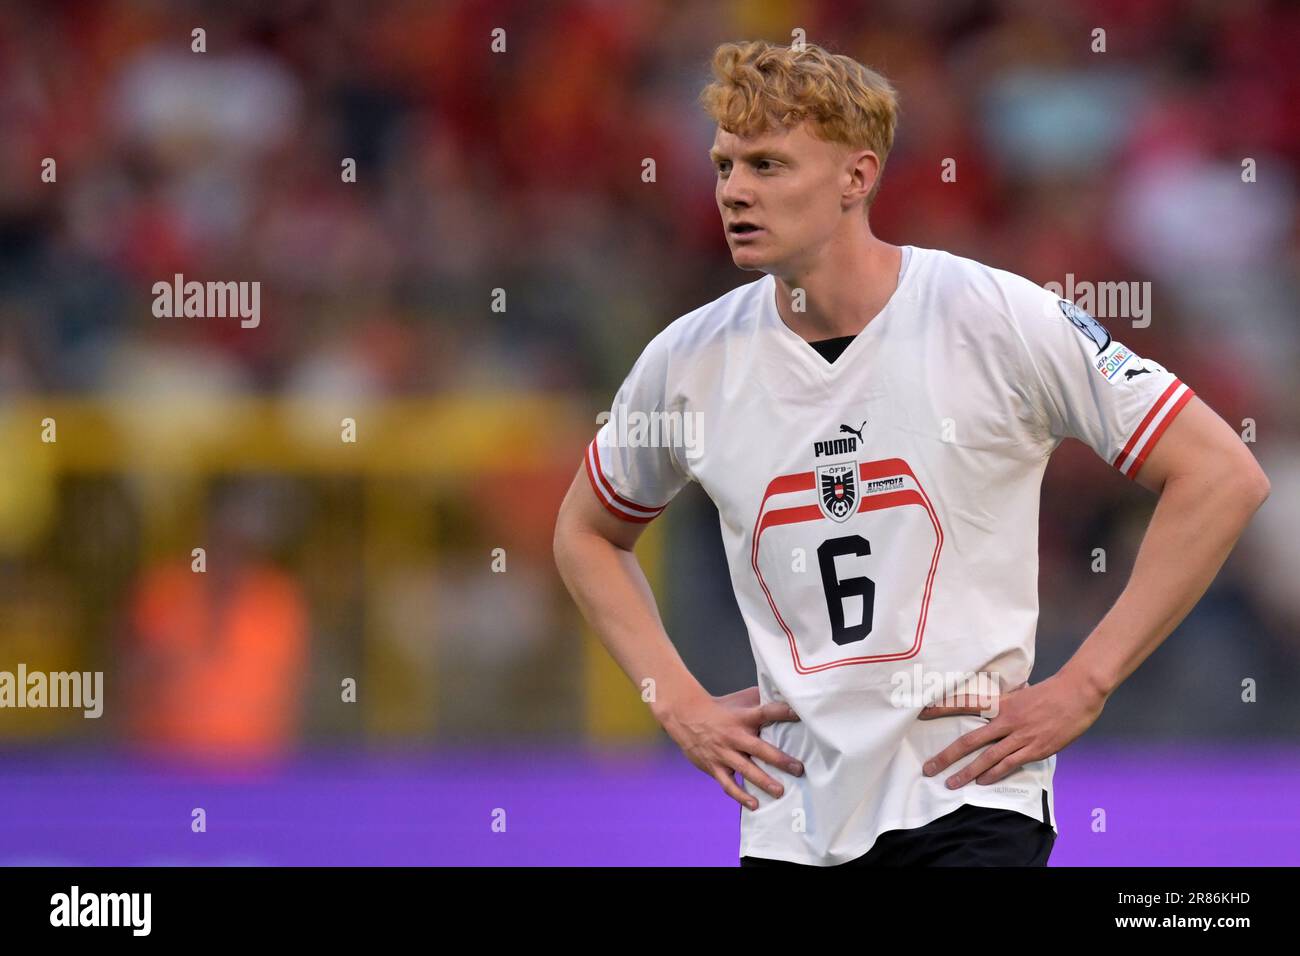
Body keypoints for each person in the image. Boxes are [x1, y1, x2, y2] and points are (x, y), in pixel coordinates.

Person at [552, 39, 1270, 866]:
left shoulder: (994, 316)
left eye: (769, 165)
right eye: (724, 166)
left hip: (969, 794)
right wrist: (675, 700)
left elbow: (1220, 473)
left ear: (857, 178)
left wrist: (1087, 682)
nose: (735, 192)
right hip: (792, 816)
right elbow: (586, 532)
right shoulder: (688, 360)